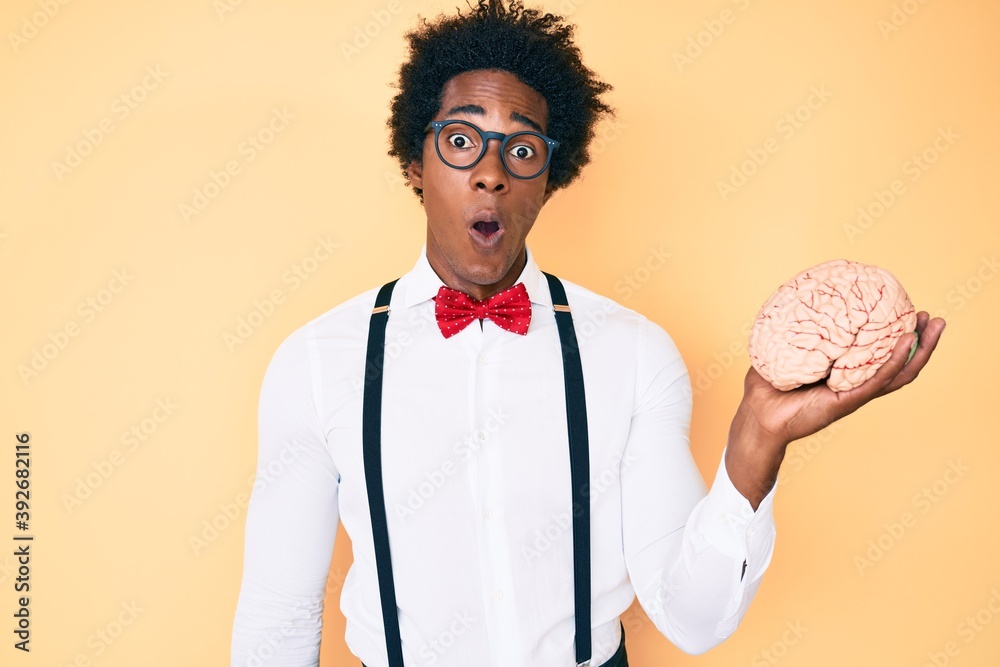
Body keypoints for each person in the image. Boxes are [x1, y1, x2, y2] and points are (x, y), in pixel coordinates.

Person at [230, 1, 945, 665]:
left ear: (550, 176)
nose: (489, 174)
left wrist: (757, 439)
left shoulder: (632, 354)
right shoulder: (318, 362)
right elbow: (278, 619)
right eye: (459, 140)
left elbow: (692, 619)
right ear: (414, 163)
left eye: (520, 151)